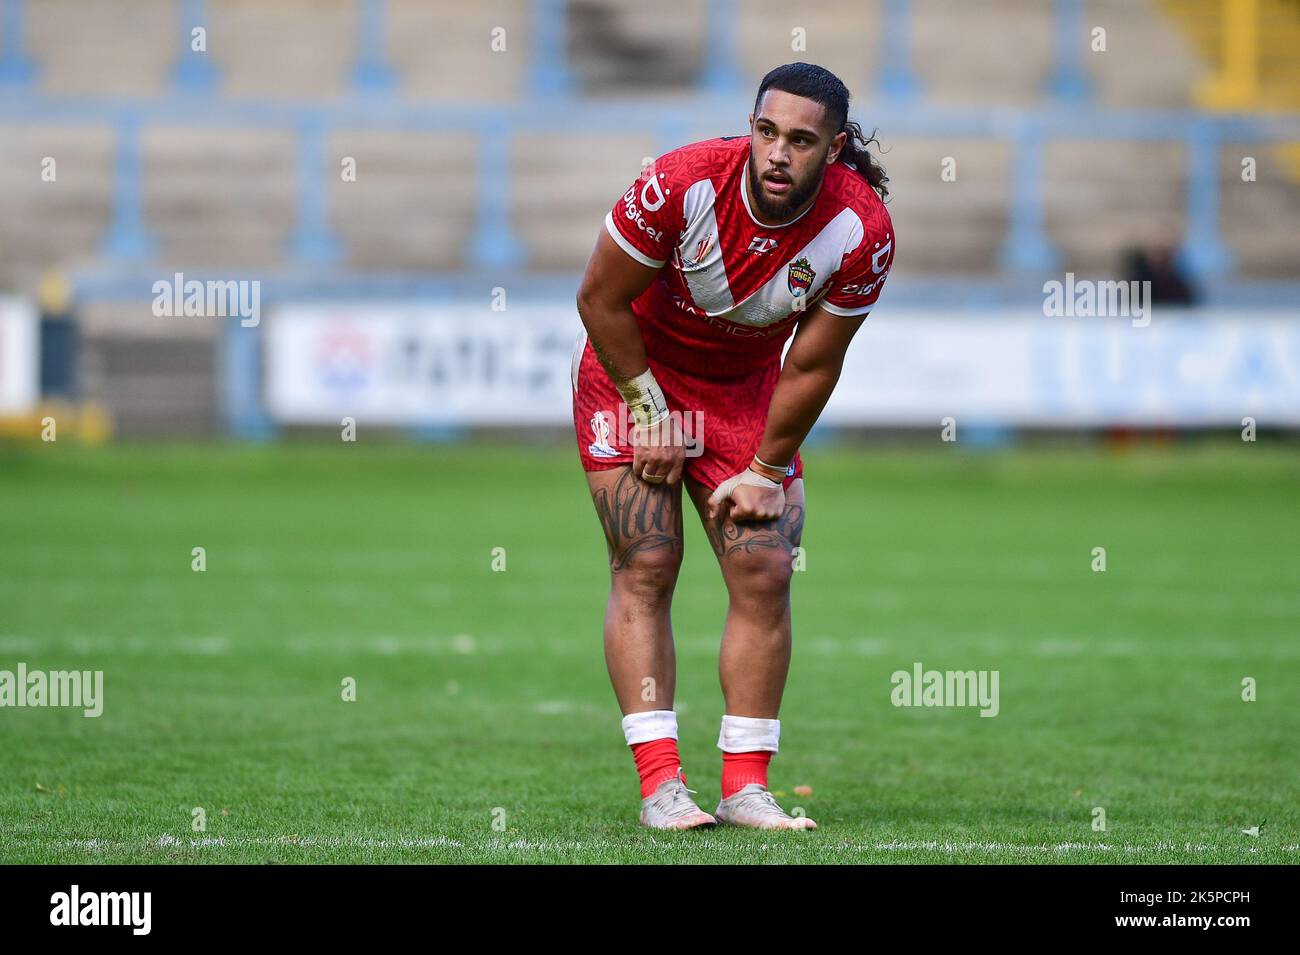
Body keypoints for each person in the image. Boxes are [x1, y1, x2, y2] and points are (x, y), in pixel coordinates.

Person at [571, 62, 895, 830]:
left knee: (767, 567)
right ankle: (661, 788)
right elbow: (598, 297)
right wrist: (648, 410)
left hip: (745, 390)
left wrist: (766, 468)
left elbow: (813, 361)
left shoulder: (863, 230)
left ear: (835, 147)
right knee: (647, 563)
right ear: (751, 128)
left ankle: (746, 787)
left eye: (802, 140)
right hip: (636, 369)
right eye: (767, 132)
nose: (779, 153)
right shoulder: (679, 183)